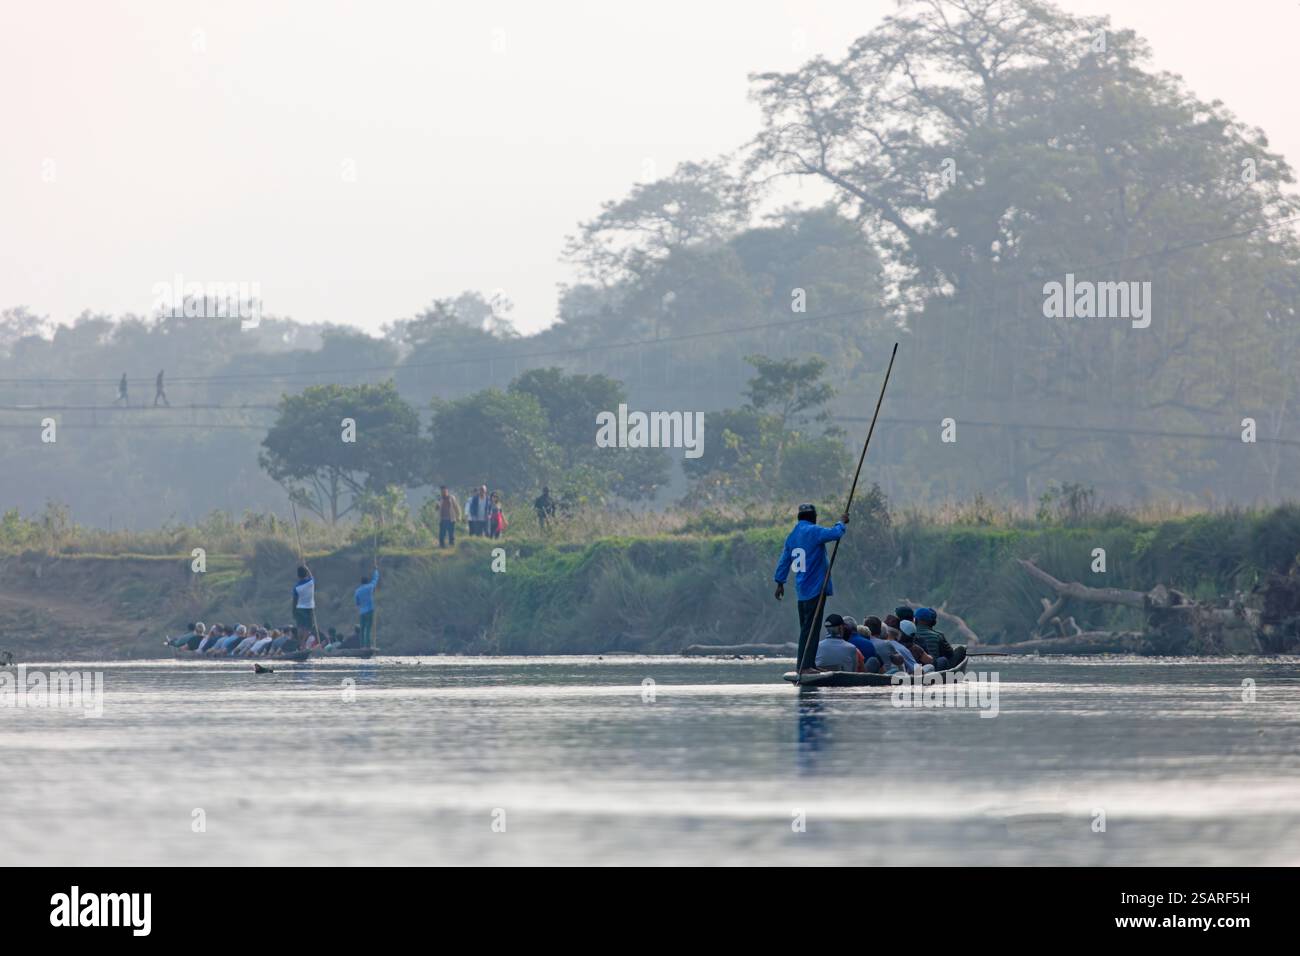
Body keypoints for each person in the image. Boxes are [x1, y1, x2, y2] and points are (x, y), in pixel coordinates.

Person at [773, 502, 849, 671]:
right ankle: (805, 666)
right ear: (813, 518)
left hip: (801, 591)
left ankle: (807, 664)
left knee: (806, 630)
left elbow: (784, 561)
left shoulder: (792, 535)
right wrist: (841, 522)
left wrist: (780, 582)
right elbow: (836, 533)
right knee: (811, 630)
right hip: (815, 589)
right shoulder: (813, 531)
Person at [355, 562, 379, 649]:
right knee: (368, 629)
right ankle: (368, 646)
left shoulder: (357, 591)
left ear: (361, 582)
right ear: (367, 581)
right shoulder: (370, 587)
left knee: (362, 629)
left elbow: (357, 603)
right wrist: (376, 570)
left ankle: (362, 646)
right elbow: (375, 580)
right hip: (369, 610)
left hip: (362, 612)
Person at [293, 565, 316, 640]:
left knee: (300, 626)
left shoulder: (296, 587)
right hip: (309, 608)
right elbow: (311, 576)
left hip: (299, 608)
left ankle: (300, 643)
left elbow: (295, 600)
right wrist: (307, 569)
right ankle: (303, 644)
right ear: (306, 574)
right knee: (307, 627)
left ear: (298, 575)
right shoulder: (311, 582)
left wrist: (294, 610)